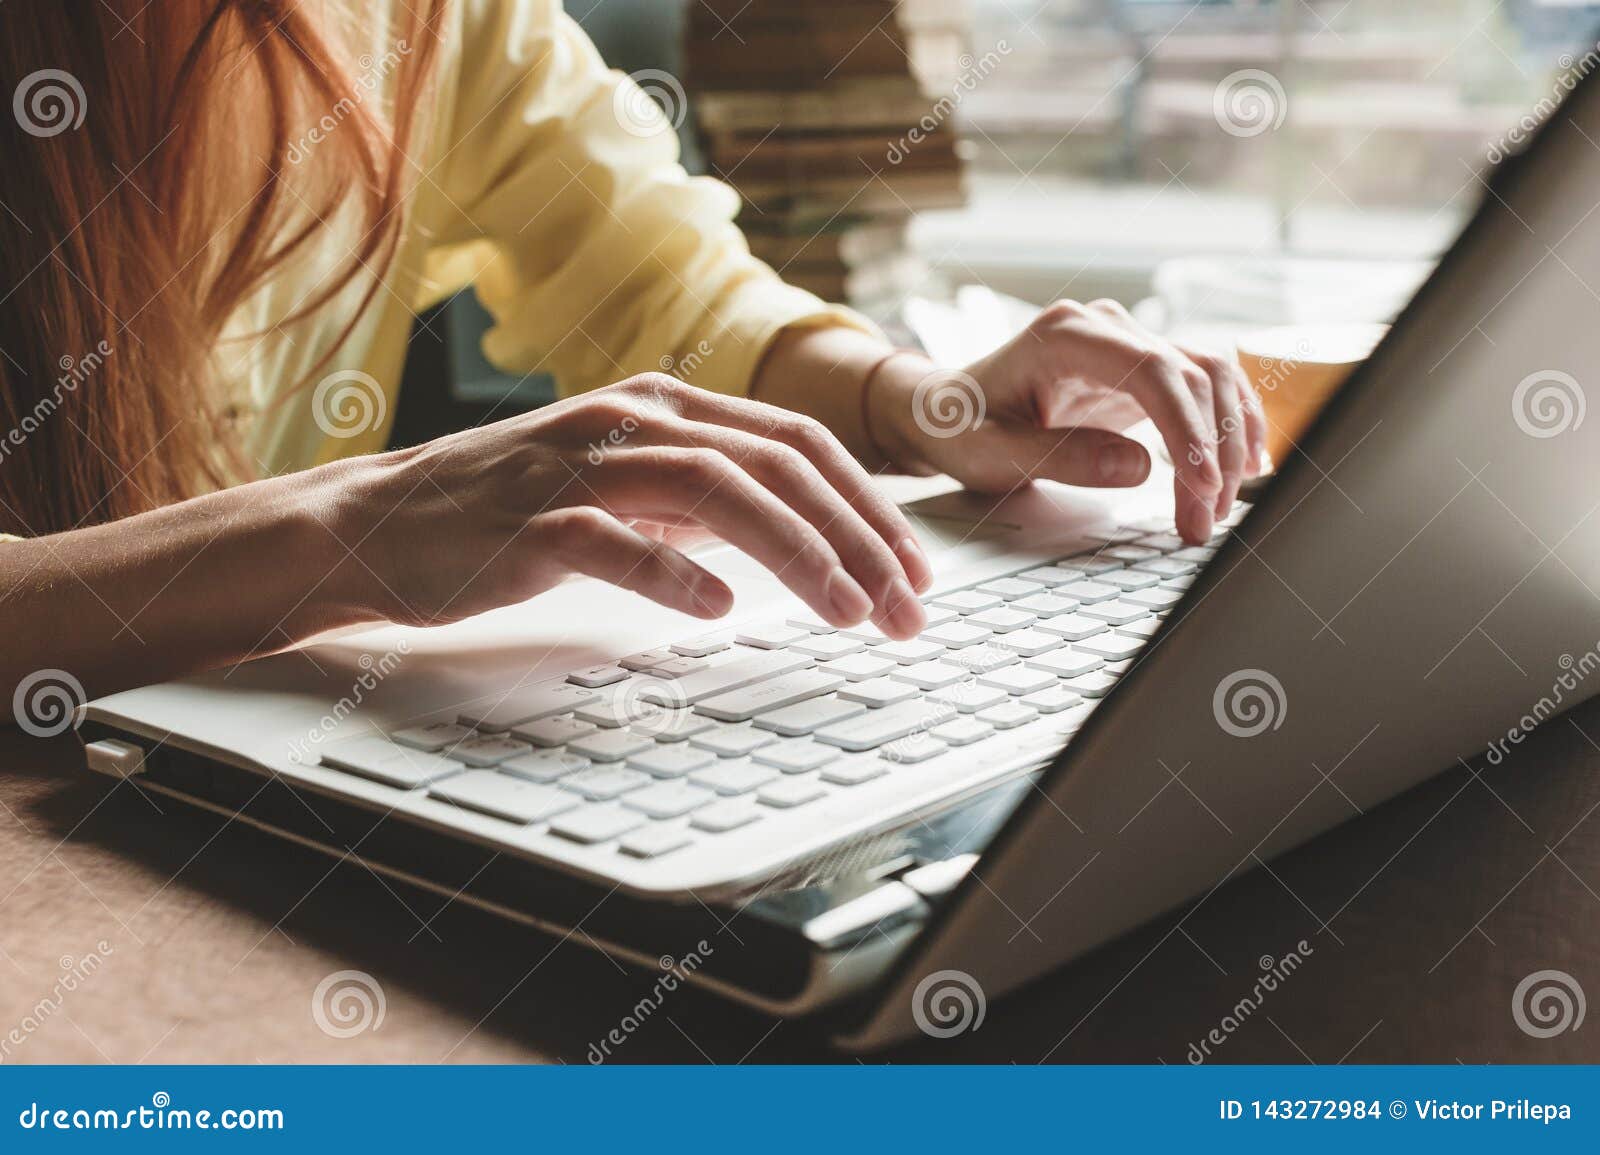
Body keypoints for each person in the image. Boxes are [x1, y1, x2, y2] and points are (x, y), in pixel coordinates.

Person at [0, 0, 1263, 718]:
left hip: (188, 784)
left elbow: (665, 286)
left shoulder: (437, 23)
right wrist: (341, 536)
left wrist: (915, 399)